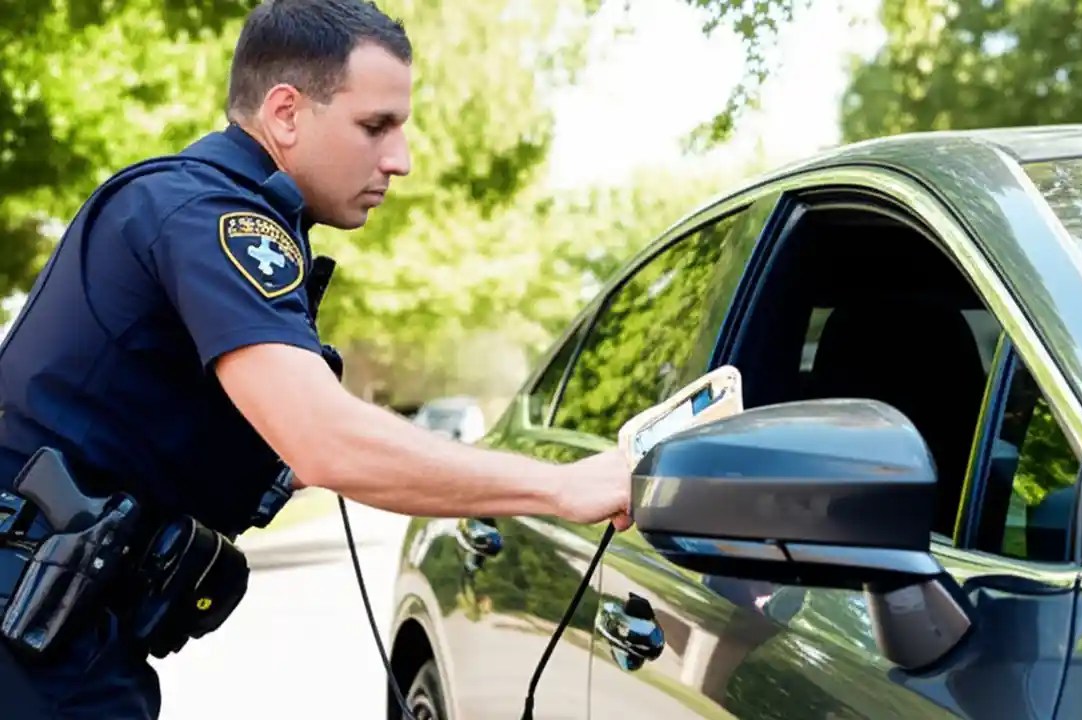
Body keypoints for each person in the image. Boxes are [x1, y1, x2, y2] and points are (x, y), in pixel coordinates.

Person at [0, 1, 631, 717]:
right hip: (33, 642)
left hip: (60, 633)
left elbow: (286, 452)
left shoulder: (192, 208)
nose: (401, 159)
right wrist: (563, 488)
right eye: (375, 127)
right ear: (287, 114)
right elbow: (326, 442)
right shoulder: (209, 219)